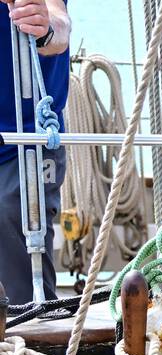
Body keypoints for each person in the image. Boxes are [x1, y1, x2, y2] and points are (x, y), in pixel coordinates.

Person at [0, 0, 70, 304]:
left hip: (24, 142)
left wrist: (44, 28)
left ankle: (28, 348)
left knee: (25, 297)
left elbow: (59, 23)